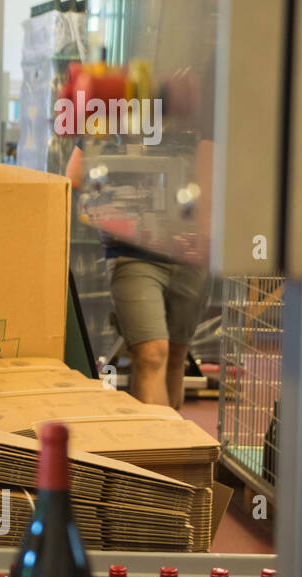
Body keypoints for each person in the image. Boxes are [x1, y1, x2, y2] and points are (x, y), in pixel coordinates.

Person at [66, 139, 210, 408]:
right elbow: (74, 175)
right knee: (151, 355)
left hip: (190, 254)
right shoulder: (115, 110)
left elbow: (216, 165)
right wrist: (115, 206)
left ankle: (172, 445)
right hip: (133, 253)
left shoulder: (196, 107)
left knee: (176, 357)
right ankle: (159, 447)